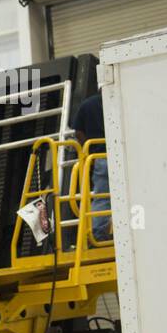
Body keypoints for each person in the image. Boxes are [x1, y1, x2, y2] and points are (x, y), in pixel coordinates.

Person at [74, 93, 110, 242]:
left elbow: (78, 131)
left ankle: (98, 235)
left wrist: (87, 150)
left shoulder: (87, 105)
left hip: (99, 157)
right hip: (122, 154)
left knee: (101, 197)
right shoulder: (120, 98)